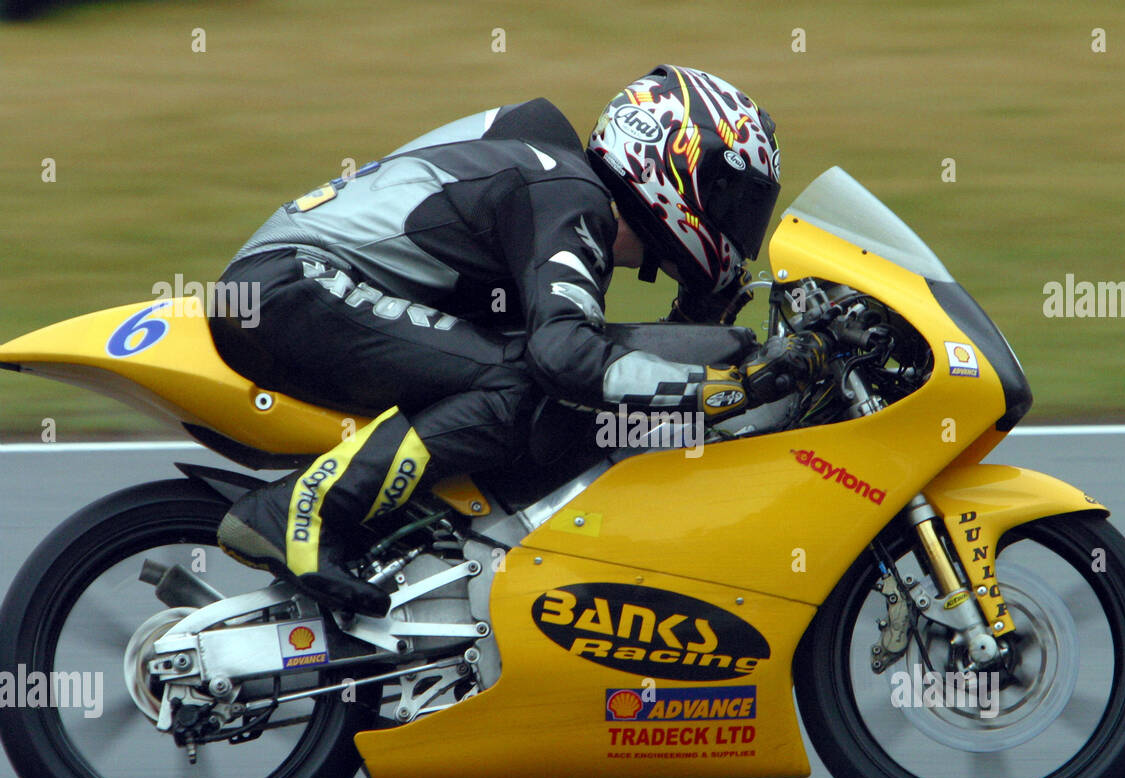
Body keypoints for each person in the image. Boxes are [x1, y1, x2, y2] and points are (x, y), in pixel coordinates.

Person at [209, 64, 828, 618]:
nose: (737, 224)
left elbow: (589, 356)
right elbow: (565, 357)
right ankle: (298, 509)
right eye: (728, 198)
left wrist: (701, 321)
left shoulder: (558, 184)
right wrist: (725, 386)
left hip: (295, 287)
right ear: (670, 161)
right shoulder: (568, 194)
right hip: (293, 286)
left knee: (530, 379)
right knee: (519, 382)